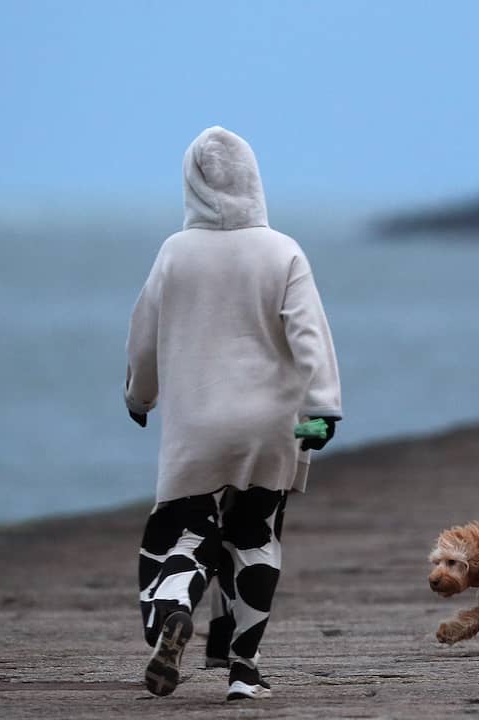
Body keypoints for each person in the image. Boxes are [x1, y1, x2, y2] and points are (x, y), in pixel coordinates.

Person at [125, 126, 342, 701]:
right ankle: (243, 669)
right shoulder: (282, 251)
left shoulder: (175, 253)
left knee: (185, 531)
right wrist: (322, 409)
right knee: (254, 535)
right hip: (269, 427)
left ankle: (173, 607)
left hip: (197, 427)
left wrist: (138, 395)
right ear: (254, 180)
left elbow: (145, 337)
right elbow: (309, 336)